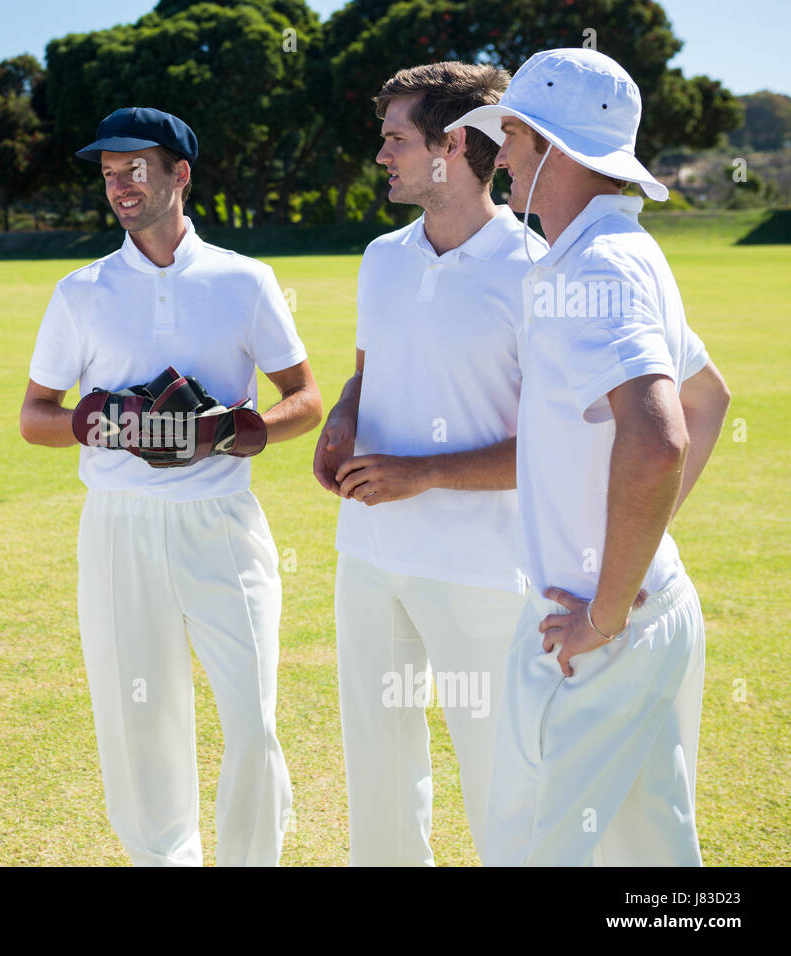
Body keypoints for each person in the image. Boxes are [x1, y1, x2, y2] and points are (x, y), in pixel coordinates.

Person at [445, 47, 732, 865]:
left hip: (595, 634)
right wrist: (630, 557)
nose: (497, 155)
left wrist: (605, 609)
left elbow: (662, 435)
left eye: (510, 135)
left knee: (532, 849)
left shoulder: (597, 267)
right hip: (643, 608)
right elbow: (709, 397)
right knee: (653, 859)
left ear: (556, 149)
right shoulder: (623, 249)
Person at [19, 107, 322, 866]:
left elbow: (307, 400)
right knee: (138, 715)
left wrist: (231, 430)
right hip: (119, 523)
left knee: (251, 715)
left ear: (180, 174)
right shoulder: (80, 290)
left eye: (135, 168)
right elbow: (34, 418)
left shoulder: (244, 279)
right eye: (108, 172)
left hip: (221, 519)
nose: (119, 185)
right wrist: (100, 421)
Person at [313, 62, 542, 866]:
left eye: (396, 139)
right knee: (377, 768)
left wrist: (424, 473)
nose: (382, 155)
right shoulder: (382, 257)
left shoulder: (534, 271)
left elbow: (551, 448)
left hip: (481, 569)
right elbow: (367, 373)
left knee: (499, 774)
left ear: (452, 146)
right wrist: (342, 418)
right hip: (369, 557)